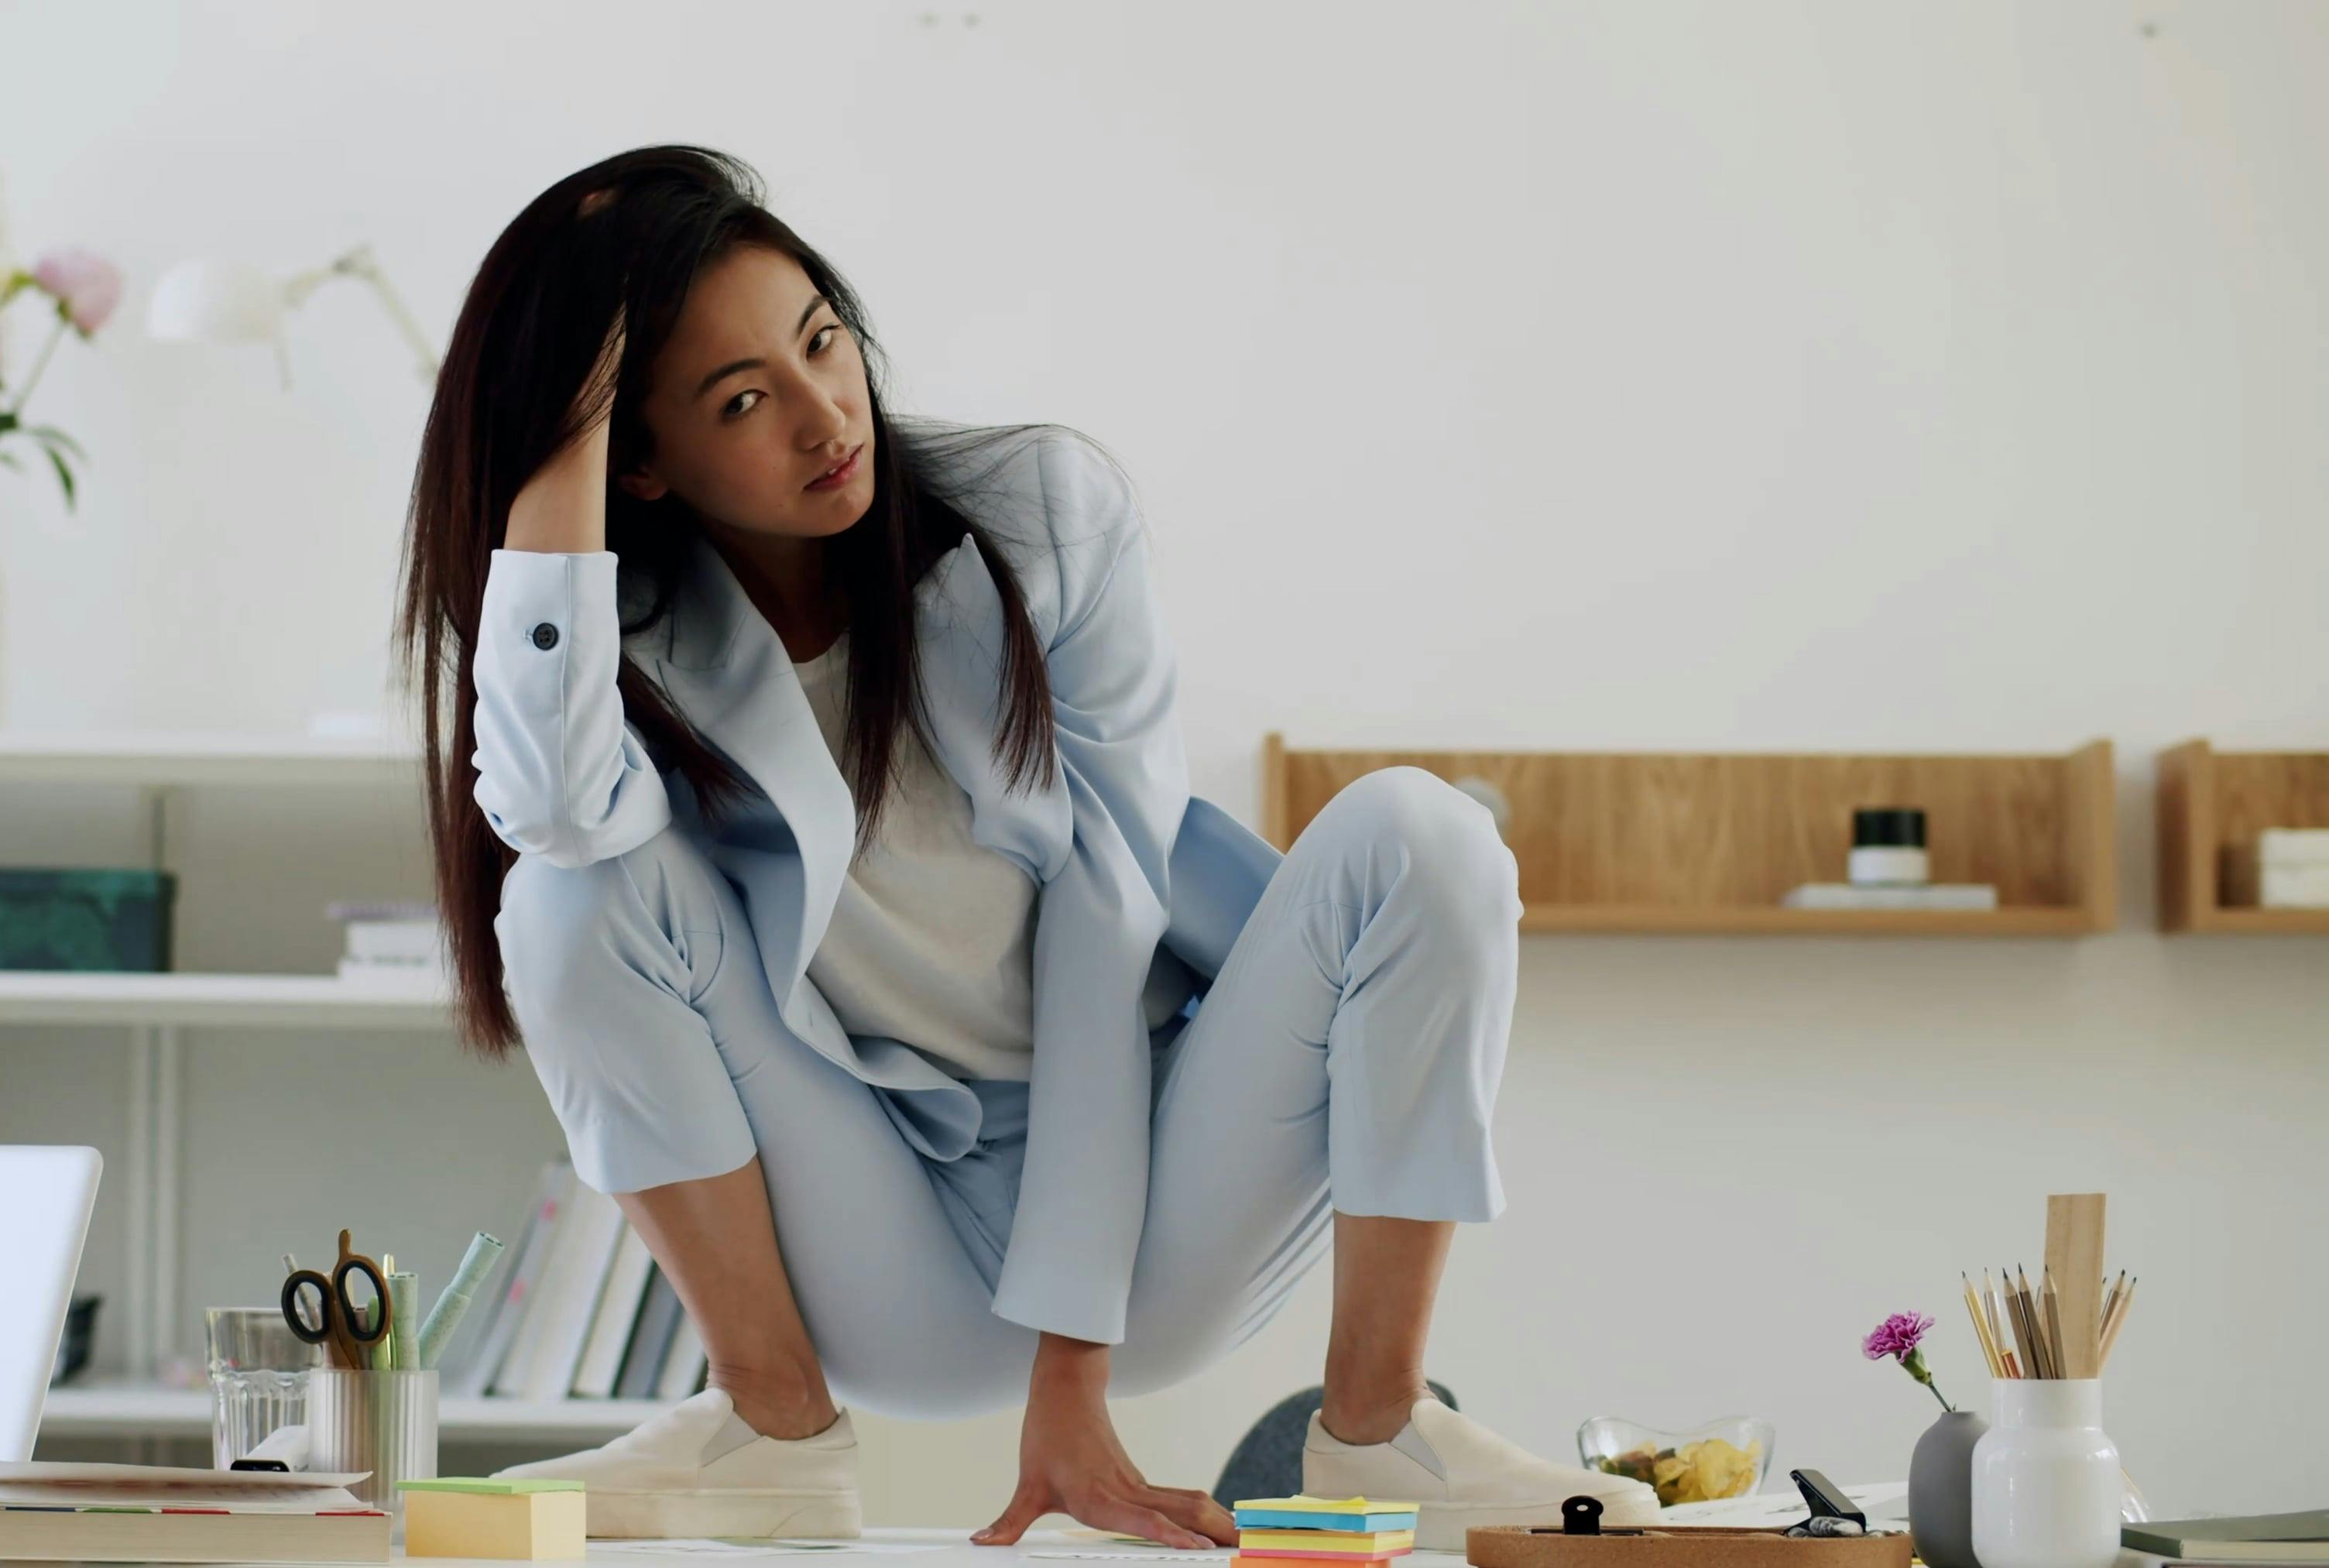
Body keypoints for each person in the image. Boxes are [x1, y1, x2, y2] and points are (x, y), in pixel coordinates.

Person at [393, 145, 1655, 1553]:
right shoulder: (618, 646)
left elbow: (1106, 910)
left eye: (824, 344)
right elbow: (556, 811)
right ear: (638, 461)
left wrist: (1074, 1375)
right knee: (570, 899)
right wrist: (556, 427)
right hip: (890, 1246)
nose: (828, 419)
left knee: (1426, 832)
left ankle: (1379, 1427)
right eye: (745, 401)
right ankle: (770, 1430)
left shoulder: (1042, 516)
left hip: (1161, 1198)